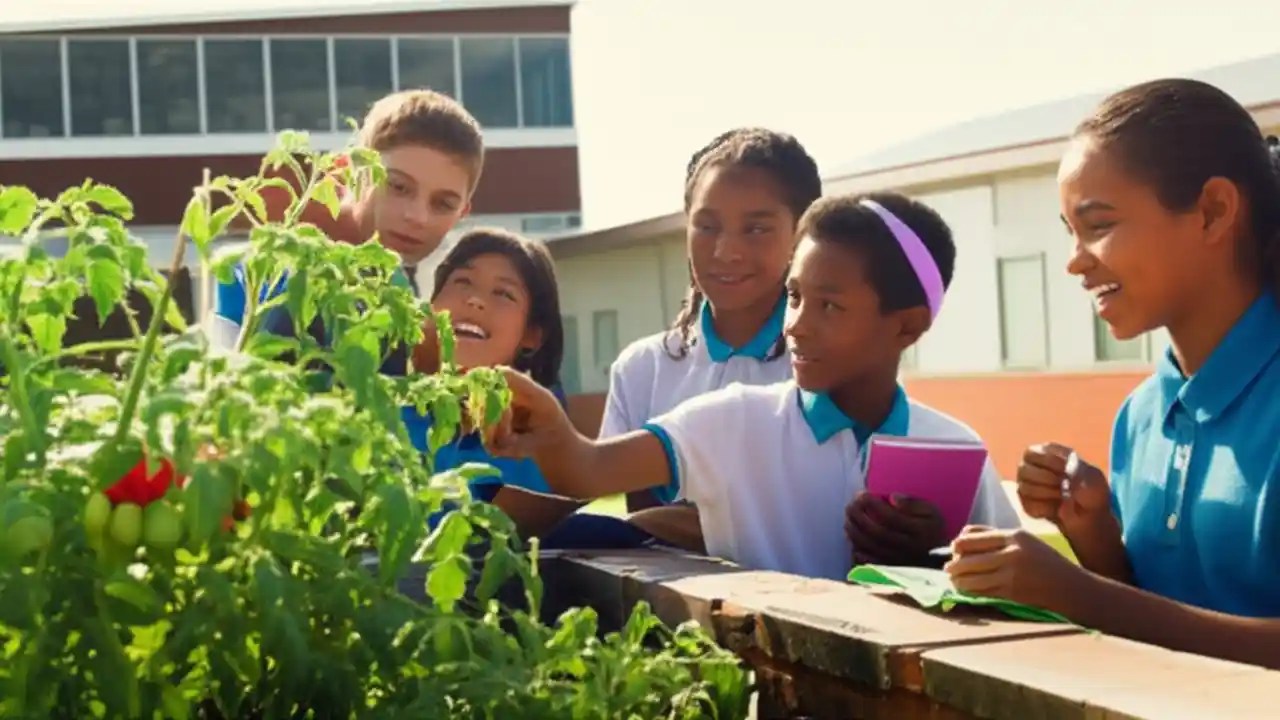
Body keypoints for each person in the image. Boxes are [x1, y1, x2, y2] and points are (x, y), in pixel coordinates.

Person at [488, 192, 1020, 580]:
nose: (796, 324)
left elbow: (1011, 597)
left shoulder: (955, 449)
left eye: (829, 305)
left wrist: (937, 554)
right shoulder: (732, 422)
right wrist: (551, 433)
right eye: (794, 296)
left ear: (907, 325)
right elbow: (590, 467)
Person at [944, 78, 1280, 670]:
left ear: (1212, 211)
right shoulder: (1141, 415)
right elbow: (1157, 621)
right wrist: (1093, 535)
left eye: (1097, 225)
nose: (1075, 260)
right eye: (1069, 232)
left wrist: (1081, 595)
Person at [542, 127, 822, 551]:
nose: (726, 251)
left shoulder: (823, 368)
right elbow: (633, 521)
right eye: (706, 226)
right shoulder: (642, 369)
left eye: (757, 229)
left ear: (800, 235)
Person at [210, 88, 483, 349]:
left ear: (462, 212)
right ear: (348, 172)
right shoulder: (256, 273)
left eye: (443, 204)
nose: (417, 217)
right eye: (398, 187)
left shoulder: (405, 307)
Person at [413, 228, 579, 535]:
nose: (475, 300)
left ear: (532, 335)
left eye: (504, 293)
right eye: (462, 281)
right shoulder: (382, 410)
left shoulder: (537, 448)